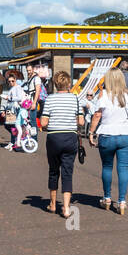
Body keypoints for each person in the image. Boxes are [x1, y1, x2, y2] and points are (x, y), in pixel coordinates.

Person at [88, 68, 128, 215]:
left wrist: (91, 132)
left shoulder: (103, 95)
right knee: (123, 169)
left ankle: (107, 198)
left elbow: (97, 115)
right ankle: (122, 201)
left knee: (107, 167)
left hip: (107, 133)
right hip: (125, 134)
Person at [42, 71, 83, 218]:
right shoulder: (75, 98)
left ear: (55, 84)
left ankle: (53, 204)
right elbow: (81, 121)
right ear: (69, 84)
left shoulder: (49, 99)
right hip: (70, 137)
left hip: (53, 137)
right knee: (67, 172)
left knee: (53, 171)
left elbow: (44, 122)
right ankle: (66, 208)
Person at [3, 72, 29, 151]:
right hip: (11, 108)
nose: (11, 83)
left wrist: (9, 98)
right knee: (10, 126)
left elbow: (19, 98)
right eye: (9, 81)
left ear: (15, 80)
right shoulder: (12, 88)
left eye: (12, 81)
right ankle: (13, 141)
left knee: (11, 126)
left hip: (15, 109)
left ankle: (14, 142)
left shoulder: (18, 87)